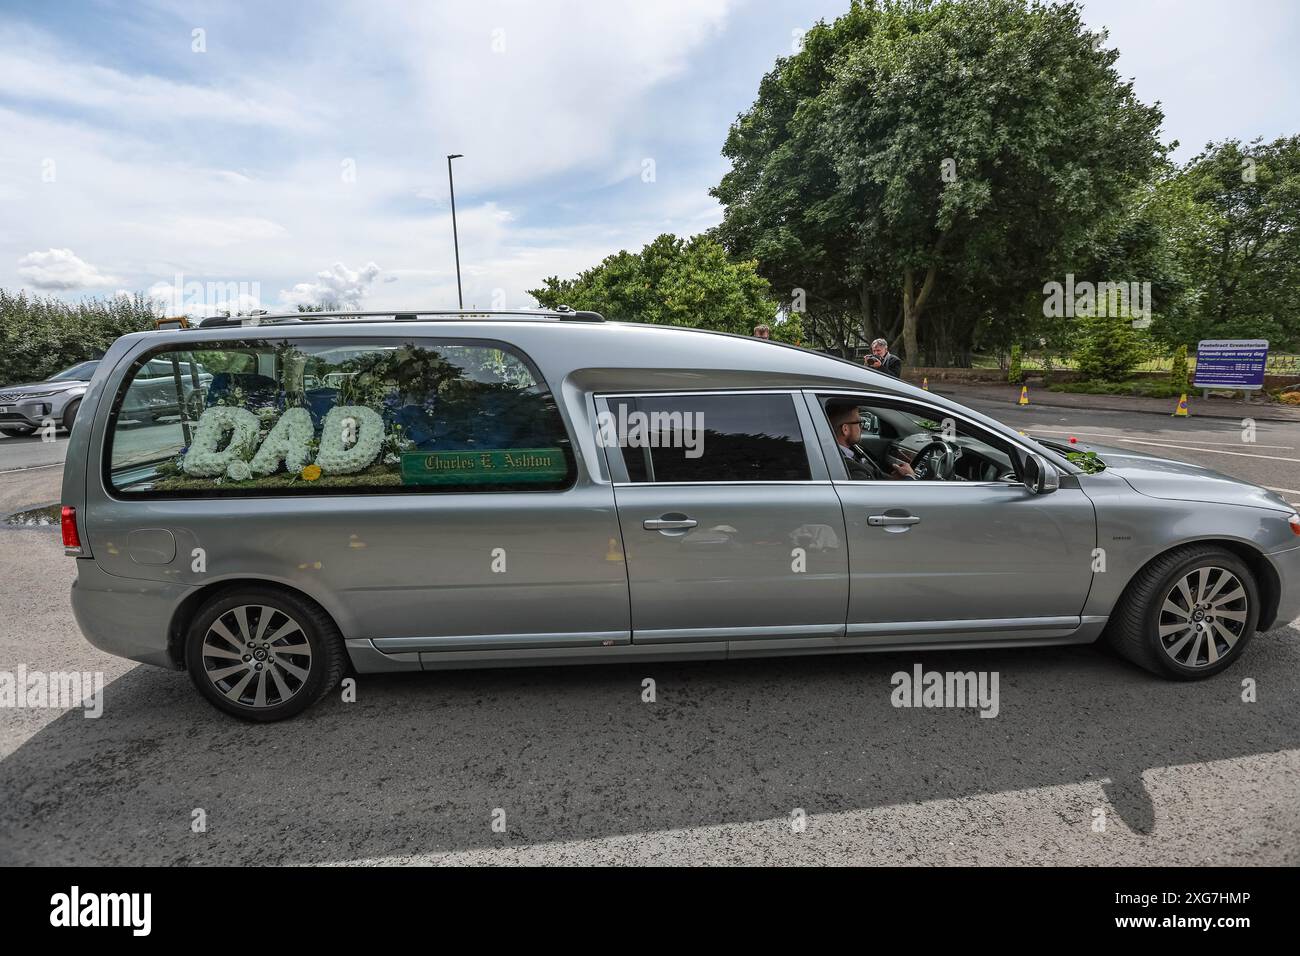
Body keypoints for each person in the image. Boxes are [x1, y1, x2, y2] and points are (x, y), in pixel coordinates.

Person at [827, 403, 916, 480]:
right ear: (845, 429)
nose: (861, 427)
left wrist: (893, 480)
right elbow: (879, 498)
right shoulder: (850, 469)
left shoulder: (841, 453)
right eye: (859, 422)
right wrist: (909, 477)